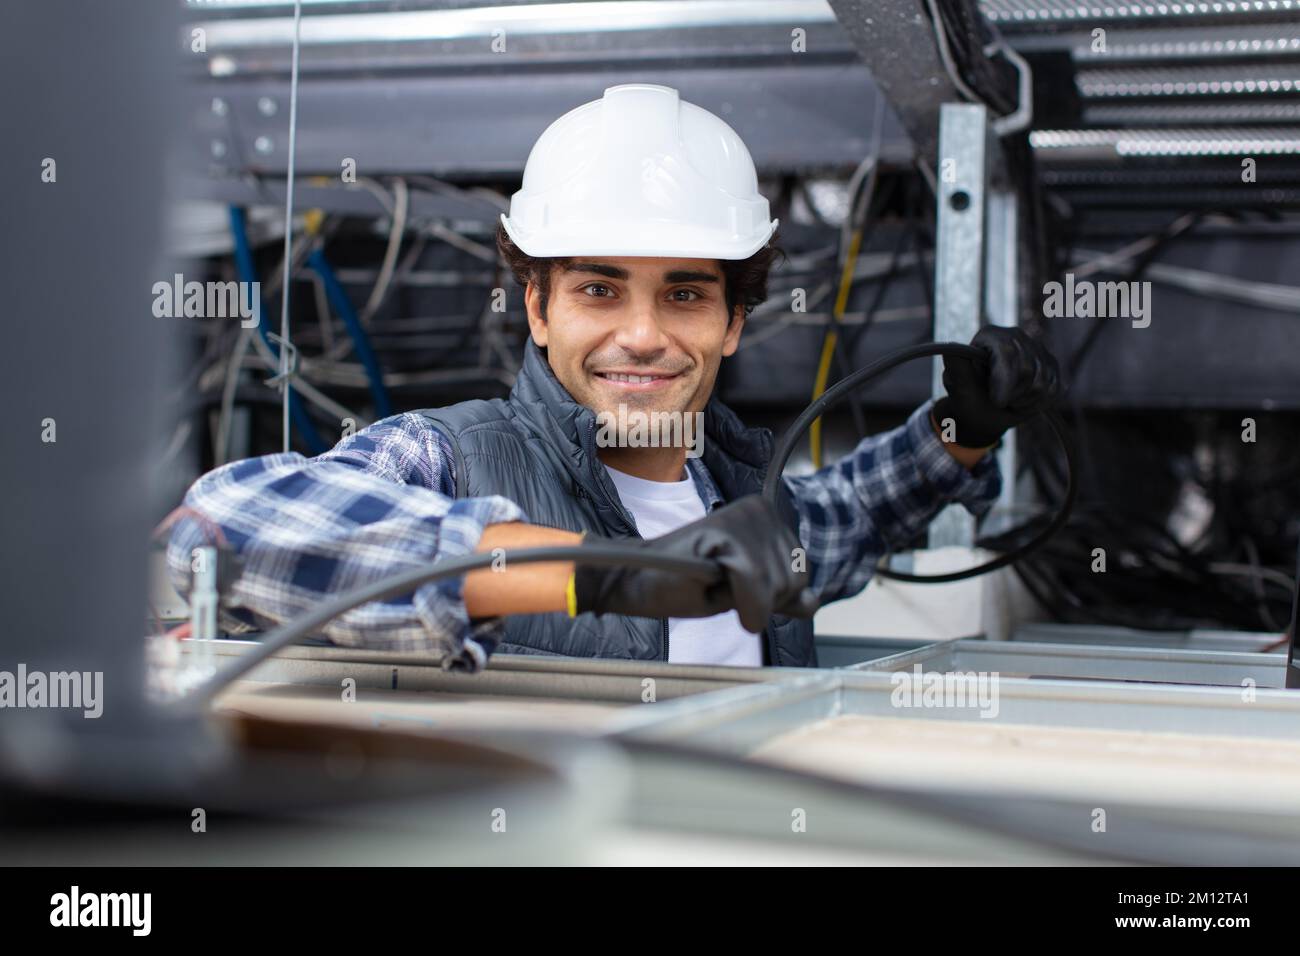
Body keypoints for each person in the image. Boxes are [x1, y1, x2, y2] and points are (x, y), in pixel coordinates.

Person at [167, 83, 1059, 671]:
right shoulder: (448, 457)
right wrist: (599, 575)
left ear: (733, 321)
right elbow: (223, 525)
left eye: (683, 293)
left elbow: (853, 514)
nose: (642, 335)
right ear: (540, 307)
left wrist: (963, 429)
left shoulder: (748, 503)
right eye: (599, 289)